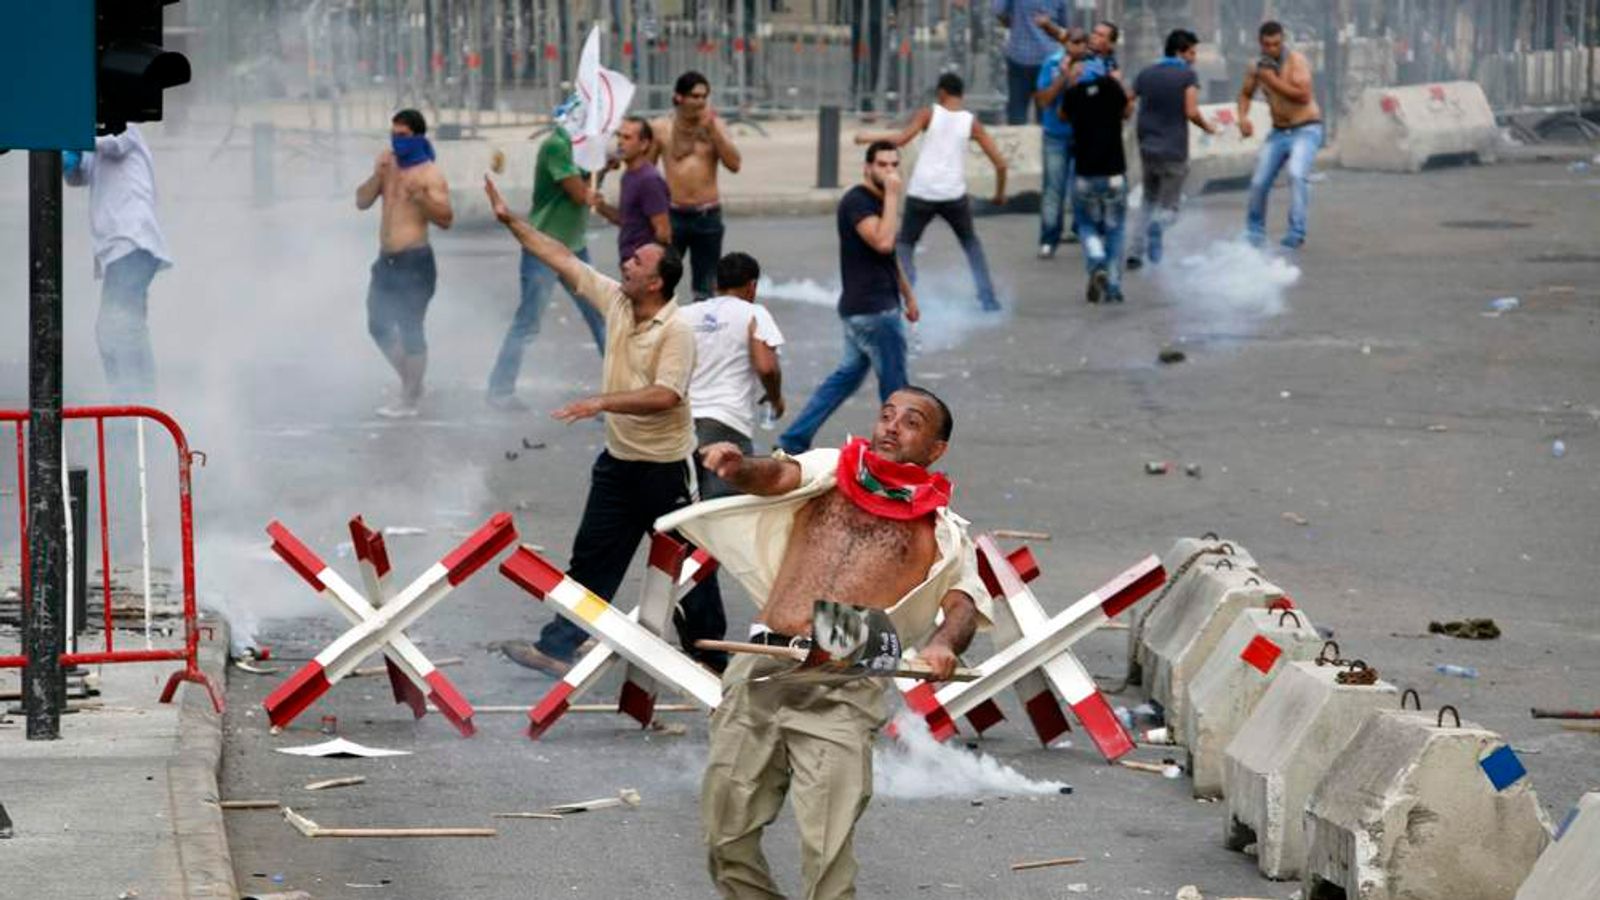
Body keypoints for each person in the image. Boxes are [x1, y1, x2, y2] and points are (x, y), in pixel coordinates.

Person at [659, 387, 991, 900]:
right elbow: (776, 476)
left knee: (827, 854)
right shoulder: (834, 468)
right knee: (725, 837)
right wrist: (737, 466)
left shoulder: (942, 530)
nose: (890, 427)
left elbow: (963, 604)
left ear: (936, 449)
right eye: (886, 416)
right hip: (763, 670)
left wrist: (946, 645)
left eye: (911, 422)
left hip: (844, 687)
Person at [482, 176, 729, 675]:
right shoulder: (617, 301)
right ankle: (557, 647)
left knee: (688, 573)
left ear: (656, 281)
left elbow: (666, 395)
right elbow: (561, 257)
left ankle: (712, 662)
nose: (625, 264)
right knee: (591, 560)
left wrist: (601, 403)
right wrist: (512, 222)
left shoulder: (676, 330)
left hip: (666, 473)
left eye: (637, 262)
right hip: (618, 465)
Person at [778, 142, 918, 454]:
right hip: (873, 312)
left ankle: (793, 439)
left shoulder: (882, 202)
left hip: (871, 307)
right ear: (867, 167)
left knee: (845, 378)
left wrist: (908, 295)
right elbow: (882, 242)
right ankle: (895, 453)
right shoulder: (858, 201)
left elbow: (890, 256)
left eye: (894, 164)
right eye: (882, 164)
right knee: (896, 391)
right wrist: (894, 197)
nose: (890, 171)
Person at [484, 111, 608, 412]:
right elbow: (579, 194)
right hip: (544, 247)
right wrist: (593, 191)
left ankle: (623, 391)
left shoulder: (583, 146)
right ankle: (499, 390)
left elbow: (587, 183)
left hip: (573, 245)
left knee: (600, 317)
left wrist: (600, 167)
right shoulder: (557, 145)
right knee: (528, 321)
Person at [857, 73, 1006, 312]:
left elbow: (901, 139)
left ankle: (901, 294)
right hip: (953, 195)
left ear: (942, 93)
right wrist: (999, 194)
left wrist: (867, 138)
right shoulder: (970, 122)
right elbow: (1000, 164)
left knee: (906, 244)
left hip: (922, 192)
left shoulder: (929, 113)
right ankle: (988, 299)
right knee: (970, 244)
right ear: (961, 95)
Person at [354, 109, 453, 418]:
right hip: (387, 261)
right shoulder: (386, 162)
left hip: (416, 260)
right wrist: (378, 177)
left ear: (419, 137)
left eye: (404, 136)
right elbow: (361, 201)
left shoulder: (429, 174)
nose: (397, 141)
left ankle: (409, 398)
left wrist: (421, 199)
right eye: (394, 134)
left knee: (411, 328)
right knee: (377, 325)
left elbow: (446, 219)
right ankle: (412, 382)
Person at [62, 124, 172, 399]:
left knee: (117, 324)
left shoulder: (125, 129)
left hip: (132, 240)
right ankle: (132, 401)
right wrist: (67, 163)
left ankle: (135, 402)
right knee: (118, 325)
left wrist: (70, 136)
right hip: (118, 248)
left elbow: (111, 142)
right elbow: (80, 175)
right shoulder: (98, 143)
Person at [685, 252, 786, 500]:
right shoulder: (754, 313)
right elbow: (766, 367)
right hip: (726, 423)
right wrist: (775, 398)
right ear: (752, 286)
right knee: (726, 511)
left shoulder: (685, 314)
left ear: (715, 284)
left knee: (686, 506)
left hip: (681, 422)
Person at [1127, 29, 1220, 270]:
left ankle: (1136, 252)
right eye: (1191, 52)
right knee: (1170, 208)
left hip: (1147, 147)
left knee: (1148, 199)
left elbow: (1127, 100)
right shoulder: (1187, 75)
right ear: (1179, 52)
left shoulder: (1146, 73)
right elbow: (1191, 111)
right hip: (1174, 151)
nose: (1194, 57)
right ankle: (1157, 230)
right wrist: (1207, 126)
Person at [651, 71, 743, 301]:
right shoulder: (662, 128)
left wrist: (713, 132)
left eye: (704, 96)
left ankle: (701, 336)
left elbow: (734, 165)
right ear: (679, 98)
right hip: (674, 215)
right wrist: (656, 215)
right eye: (695, 96)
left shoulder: (716, 126)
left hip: (707, 216)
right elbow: (648, 174)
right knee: (661, 281)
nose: (701, 101)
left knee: (706, 288)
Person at [1238, 20, 1324, 250]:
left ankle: (1296, 232)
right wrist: (1242, 118)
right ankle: (1254, 233)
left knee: (1296, 175)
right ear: (1260, 43)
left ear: (1282, 42)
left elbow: (1303, 96)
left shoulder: (1296, 61)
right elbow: (1245, 94)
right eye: (1267, 45)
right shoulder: (1256, 66)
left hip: (1306, 128)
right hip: (1278, 131)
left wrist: (1271, 81)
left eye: (1276, 44)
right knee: (1258, 182)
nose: (1271, 49)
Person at [1060, 59, 1133, 304]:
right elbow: (1127, 112)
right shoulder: (1112, 88)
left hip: (1084, 175)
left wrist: (1071, 84)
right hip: (1114, 175)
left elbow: (1062, 116)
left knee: (1086, 224)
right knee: (1115, 229)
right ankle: (1113, 285)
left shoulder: (1074, 93)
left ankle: (1096, 260)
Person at [1033, 26, 1089, 258]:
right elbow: (1043, 100)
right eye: (1071, 42)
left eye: (1080, 42)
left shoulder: (1093, 66)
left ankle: (1083, 231)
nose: (1075, 47)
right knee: (1053, 189)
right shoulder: (1052, 64)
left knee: (1083, 187)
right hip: (1055, 134)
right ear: (1065, 45)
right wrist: (1063, 79)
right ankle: (1049, 238)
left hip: (1085, 134)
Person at [591, 116, 672, 265]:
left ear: (644, 144)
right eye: (619, 136)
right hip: (628, 261)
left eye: (627, 138)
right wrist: (601, 206)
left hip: (642, 267)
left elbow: (663, 233)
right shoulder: (628, 176)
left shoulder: (649, 180)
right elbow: (626, 220)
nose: (620, 142)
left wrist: (646, 266)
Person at [992, 0, 1068, 124]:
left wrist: (1011, 23)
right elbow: (1063, 25)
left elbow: (998, 9)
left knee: (1017, 110)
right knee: (1045, 110)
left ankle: (1017, 140)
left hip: (1019, 56)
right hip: (1048, 57)